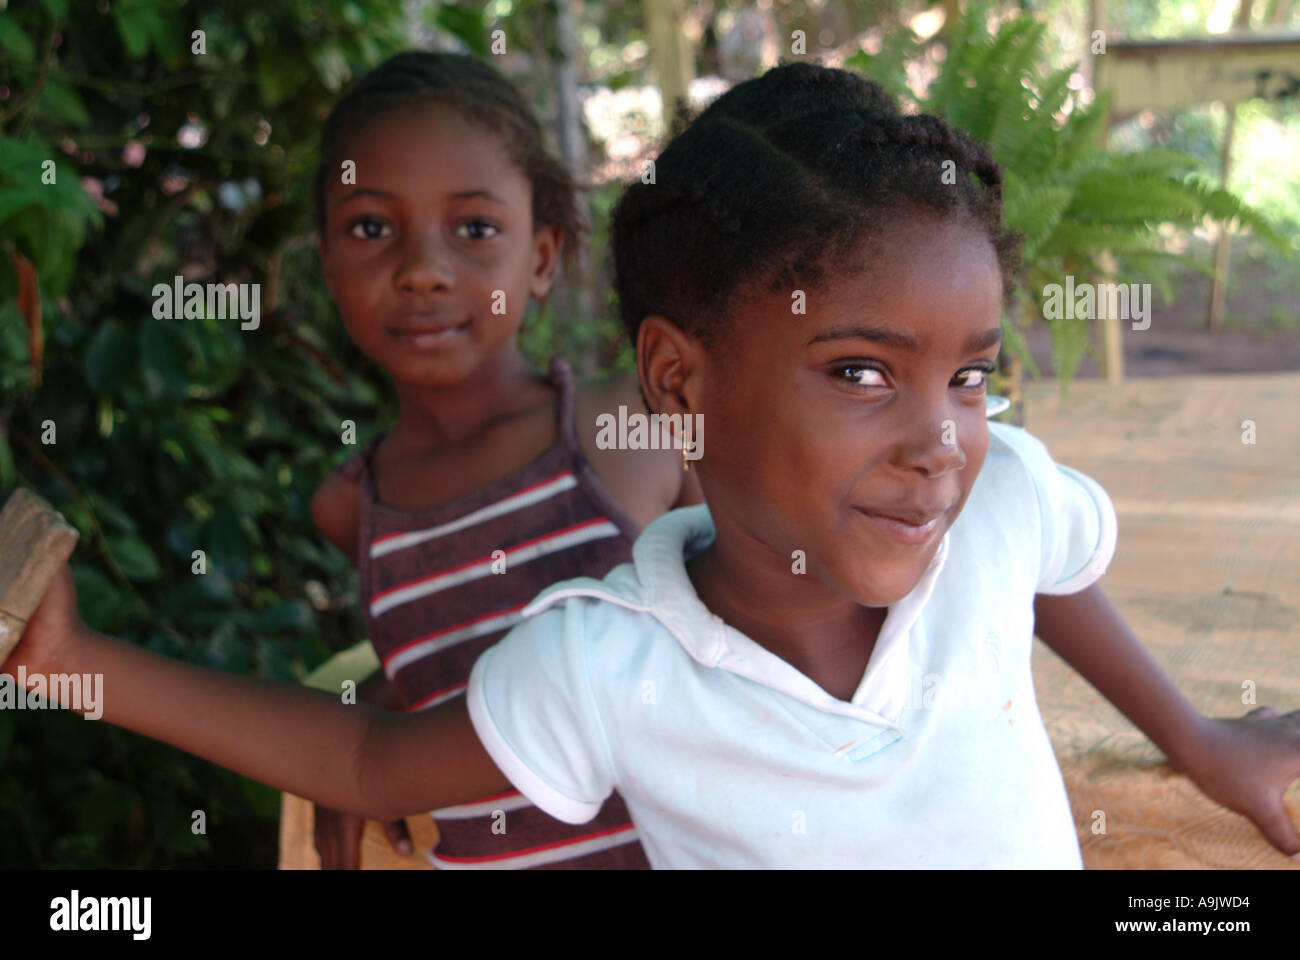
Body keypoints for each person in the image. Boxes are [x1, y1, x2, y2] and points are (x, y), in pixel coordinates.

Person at [11, 63, 1300, 868]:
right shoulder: (608, 662)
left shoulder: (999, 493)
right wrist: (82, 670)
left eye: (968, 371)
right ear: (678, 383)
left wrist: (1201, 745)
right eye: (860, 370)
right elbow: (372, 765)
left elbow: (1044, 567)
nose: (940, 439)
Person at [299, 50, 701, 868]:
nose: (421, 271)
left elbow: (759, 627)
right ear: (328, 263)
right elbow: (452, 660)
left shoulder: (634, 426)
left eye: (475, 228)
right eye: (371, 228)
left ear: (543, 258)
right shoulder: (354, 509)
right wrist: (349, 748)